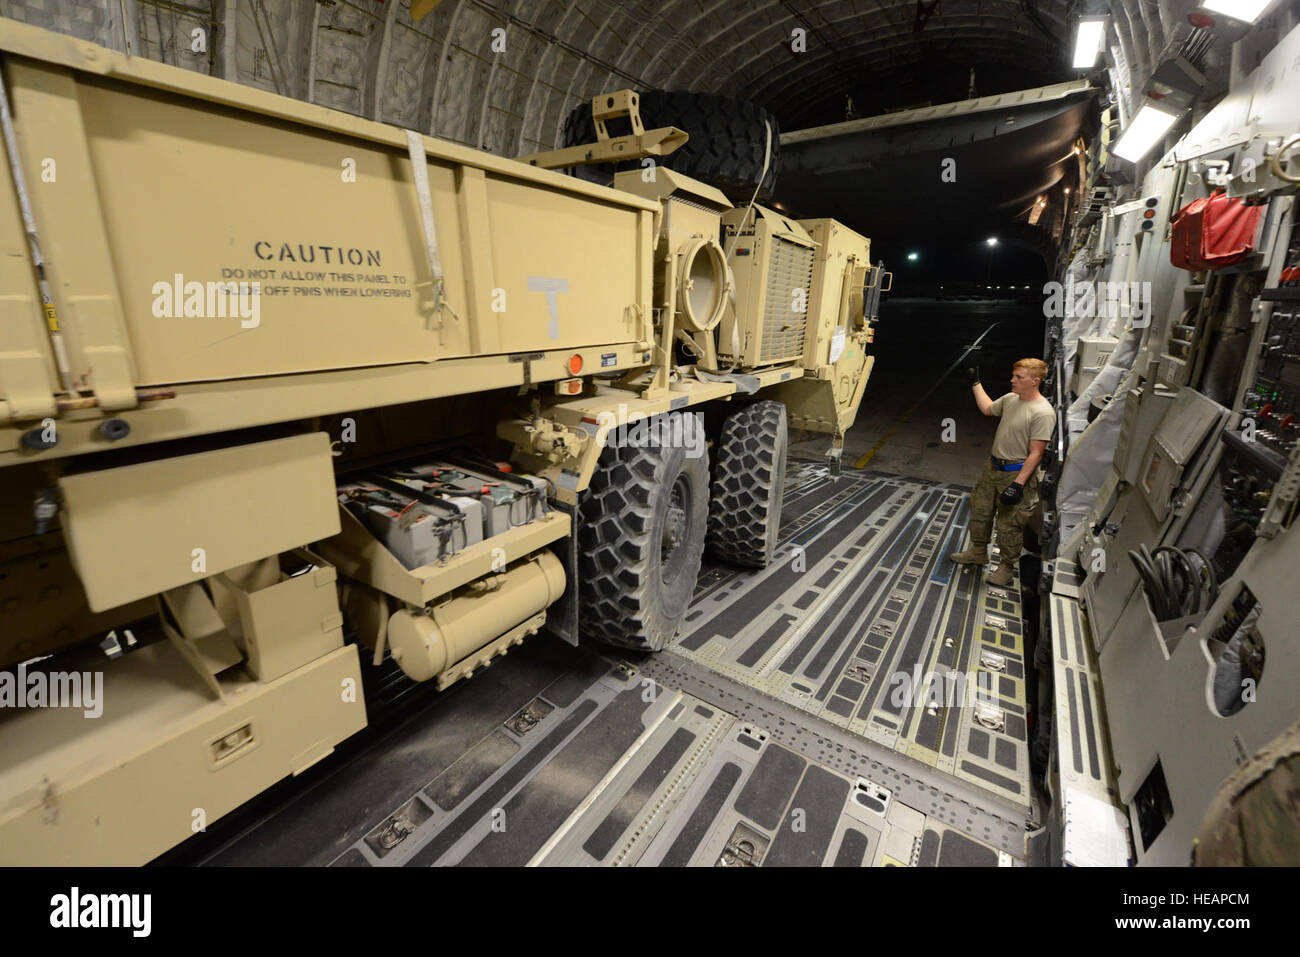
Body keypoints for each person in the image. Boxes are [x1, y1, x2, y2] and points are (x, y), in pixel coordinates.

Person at [949, 357, 1054, 587]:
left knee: (1009, 524)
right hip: (993, 467)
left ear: (1035, 381)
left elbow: (1036, 453)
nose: (1012, 380)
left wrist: (1018, 484)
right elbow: (988, 409)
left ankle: (1006, 569)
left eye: (1019, 377)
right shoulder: (1011, 399)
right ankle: (978, 552)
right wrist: (976, 382)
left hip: (1016, 473)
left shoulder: (1043, 412)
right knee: (981, 510)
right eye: (1013, 375)